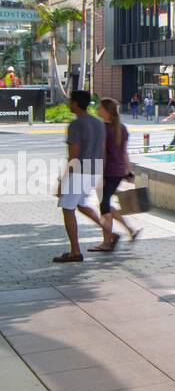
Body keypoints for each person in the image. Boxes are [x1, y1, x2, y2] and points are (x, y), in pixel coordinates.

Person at [53, 91, 107, 264]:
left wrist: (62, 181)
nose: (68, 103)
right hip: (95, 170)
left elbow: (73, 156)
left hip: (79, 171)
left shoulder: (75, 125)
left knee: (68, 208)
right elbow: (103, 150)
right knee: (82, 205)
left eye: (70, 101)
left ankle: (75, 251)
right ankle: (109, 231)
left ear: (76, 104)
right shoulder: (99, 123)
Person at [94, 97, 138, 251]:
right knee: (105, 204)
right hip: (119, 171)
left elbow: (102, 153)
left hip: (108, 172)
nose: (97, 110)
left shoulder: (102, 128)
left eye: (100, 107)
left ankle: (108, 242)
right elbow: (124, 152)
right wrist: (128, 171)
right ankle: (128, 230)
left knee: (104, 206)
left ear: (106, 111)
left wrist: (100, 175)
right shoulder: (122, 128)